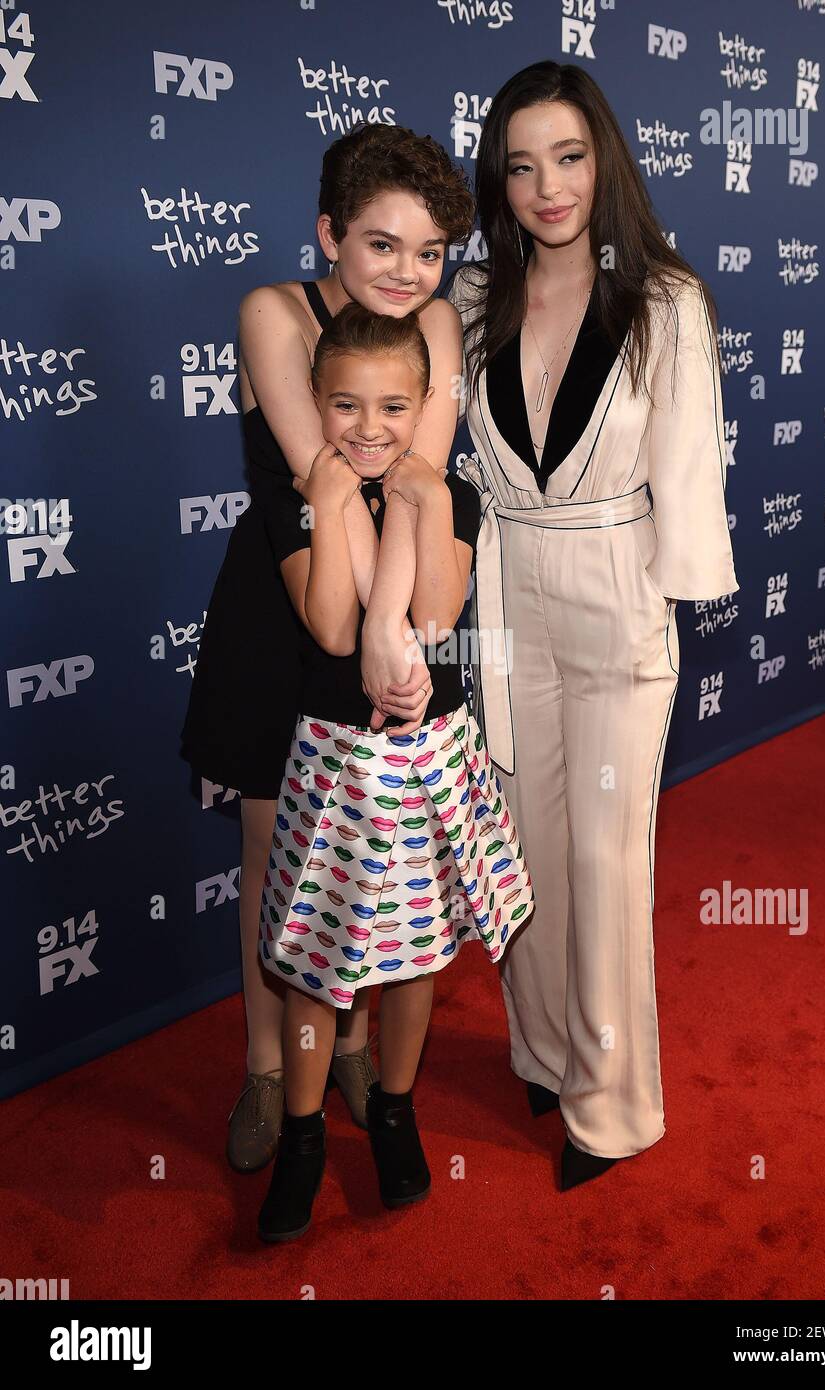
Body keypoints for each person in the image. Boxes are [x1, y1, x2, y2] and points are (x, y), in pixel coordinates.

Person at [446, 61, 740, 1190]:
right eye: (520, 166)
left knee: (605, 861)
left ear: (604, 160)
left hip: (617, 595)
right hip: (510, 595)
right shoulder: (474, 300)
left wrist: (663, 602)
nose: (546, 187)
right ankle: (543, 1049)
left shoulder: (664, 300)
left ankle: (610, 1106)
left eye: (567, 157)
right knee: (518, 850)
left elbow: (682, 466)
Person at [179, 124, 475, 1169]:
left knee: (375, 854)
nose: (407, 272)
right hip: (285, 589)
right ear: (328, 235)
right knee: (280, 858)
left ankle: (348, 1048)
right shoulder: (273, 310)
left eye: (430, 249)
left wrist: (389, 638)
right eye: (382, 244)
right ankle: (268, 1069)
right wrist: (365, 637)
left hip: (388, 592)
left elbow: (417, 478)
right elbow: (329, 473)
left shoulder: (440, 318)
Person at [254, 303, 535, 1242]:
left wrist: (430, 500)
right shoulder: (300, 495)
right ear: (315, 406)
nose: (368, 428)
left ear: (425, 408)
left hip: (431, 753)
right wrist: (333, 503)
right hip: (334, 763)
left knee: (419, 952)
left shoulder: (450, 490)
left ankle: (393, 1109)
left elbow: (438, 614)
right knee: (314, 962)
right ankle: (301, 1138)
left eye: (390, 407)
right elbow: (334, 628)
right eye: (344, 406)